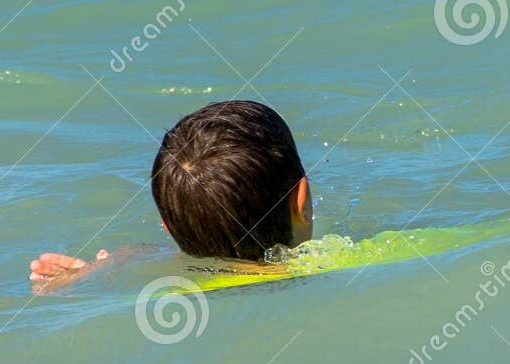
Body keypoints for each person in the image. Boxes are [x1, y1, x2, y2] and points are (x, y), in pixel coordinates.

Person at [29, 100, 312, 287]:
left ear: (167, 226)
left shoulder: (168, 280)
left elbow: (130, 256)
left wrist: (88, 274)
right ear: (302, 201)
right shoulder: (316, 271)